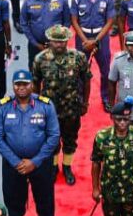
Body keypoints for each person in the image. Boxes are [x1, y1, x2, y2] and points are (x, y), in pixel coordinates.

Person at [0, 70, 62, 216]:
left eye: (25, 84)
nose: (21, 88)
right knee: (13, 200)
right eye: (18, 84)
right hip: (12, 165)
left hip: (40, 163)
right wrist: (16, 162)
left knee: (45, 198)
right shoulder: (3, 106)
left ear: (32, 85)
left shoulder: (45, 105)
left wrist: (35, 161)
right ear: (13, 86)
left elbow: (54, 136)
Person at [32, 25, 90, 184]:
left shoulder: (78, 57)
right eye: (56, 41)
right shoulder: (40, 59)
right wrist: (36, 105)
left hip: (72, 108)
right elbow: (35, 83)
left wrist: (85, 102)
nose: (59, 44)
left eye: (62, 41)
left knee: (70, 139)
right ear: (50, 41)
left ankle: (67, 166)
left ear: (67, 41)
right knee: (52, 140)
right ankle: (54, 166)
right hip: (49, 110)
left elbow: (86, 80)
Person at [71, 0, 117, 111]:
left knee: (105, 71)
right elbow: (74, 20)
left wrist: (95, 41)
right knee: (79, 70)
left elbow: (110, 21)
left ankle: (105, 97)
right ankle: (79, 97)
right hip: (82, 38)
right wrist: (85, 40)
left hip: (100, 38)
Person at [19, 0, 70, 67]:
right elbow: (24, 23)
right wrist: (35, 43)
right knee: (34, 73)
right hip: (35, 46)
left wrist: (58, 41)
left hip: (57, 46)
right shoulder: (29, 1)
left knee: (57, 73)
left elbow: (67, 22)